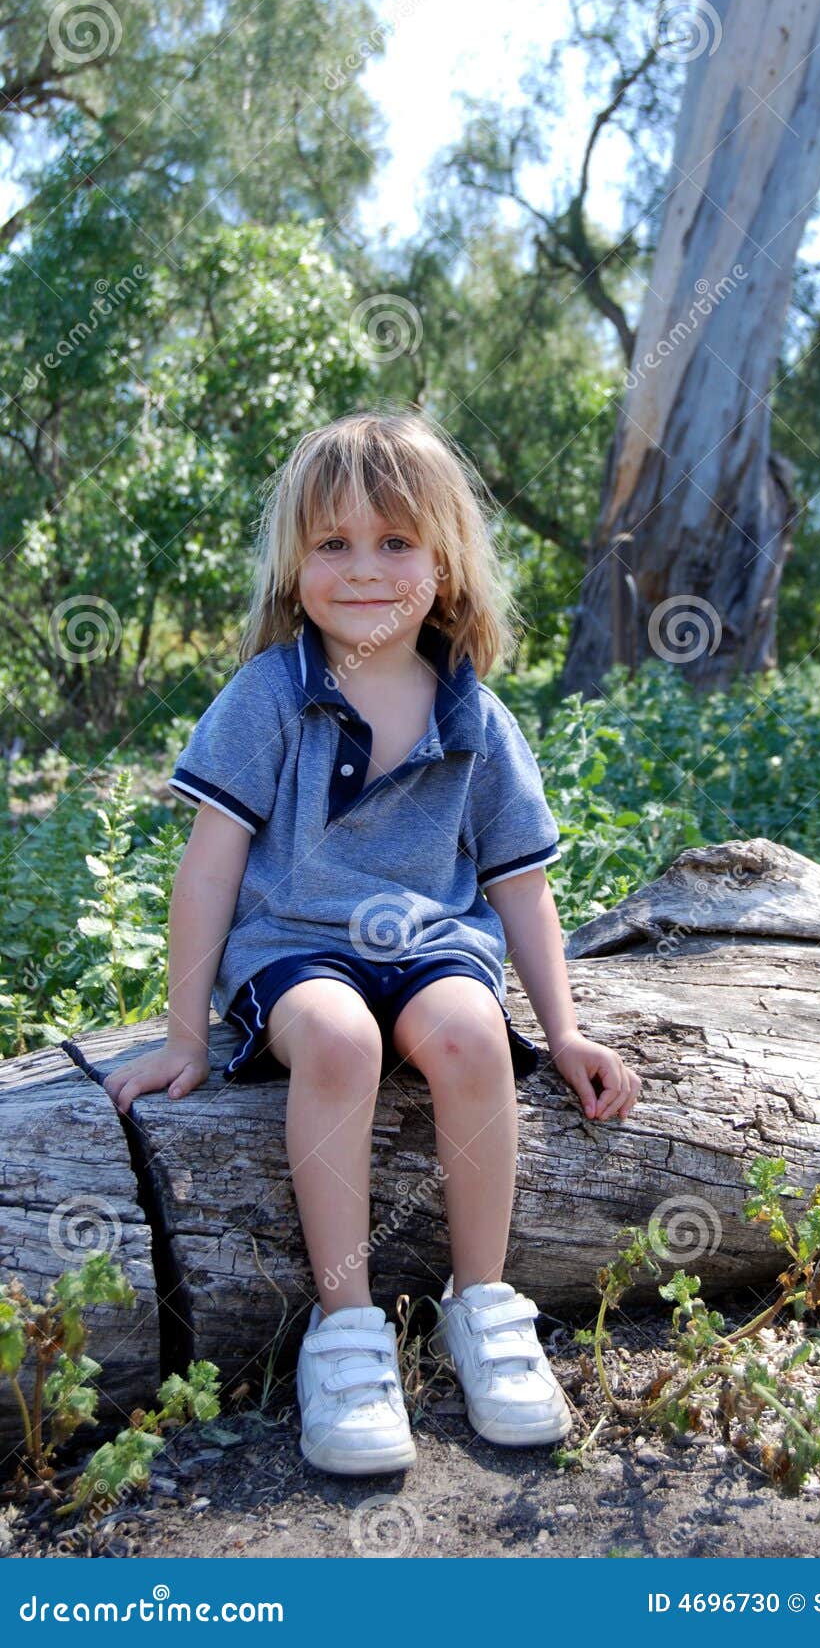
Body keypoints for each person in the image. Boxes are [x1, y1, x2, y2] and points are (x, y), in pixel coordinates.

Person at [103, 407, 643, 1477]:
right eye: (332, 544)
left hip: (431, 947)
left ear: (445, 566)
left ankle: (482, 1304)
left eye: (396, 543)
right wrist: (183, 1034)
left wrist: (566, 1031)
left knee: (473, 1035)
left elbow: (521, 887)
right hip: (294, 953)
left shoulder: (474, 718)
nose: (363, 570)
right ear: (295, 564)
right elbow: (209, 868)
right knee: (342, 1043)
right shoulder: (269, 697)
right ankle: (347, 1333)